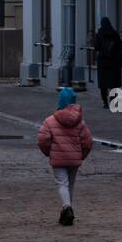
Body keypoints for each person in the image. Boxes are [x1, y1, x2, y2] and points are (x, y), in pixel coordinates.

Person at [37, 87, 93, 226]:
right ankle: (67, 209)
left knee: (62, 183)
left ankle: (67, 208)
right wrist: (81, 155)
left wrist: (49, 152)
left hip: (58, 159)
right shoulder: (80, 122)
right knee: (70, 185)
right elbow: (87, 142)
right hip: (74, 159)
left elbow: (43, 140)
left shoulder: (50, 120)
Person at [93, 16, 122, 108]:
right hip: (113, 63)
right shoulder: (115, 34)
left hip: (103, 63)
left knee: (103, 85)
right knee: (113, 84)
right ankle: (113, 102)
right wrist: (121, 61)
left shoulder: (100, 33)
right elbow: (120, 48)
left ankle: (105, 103)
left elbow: (96, 47)